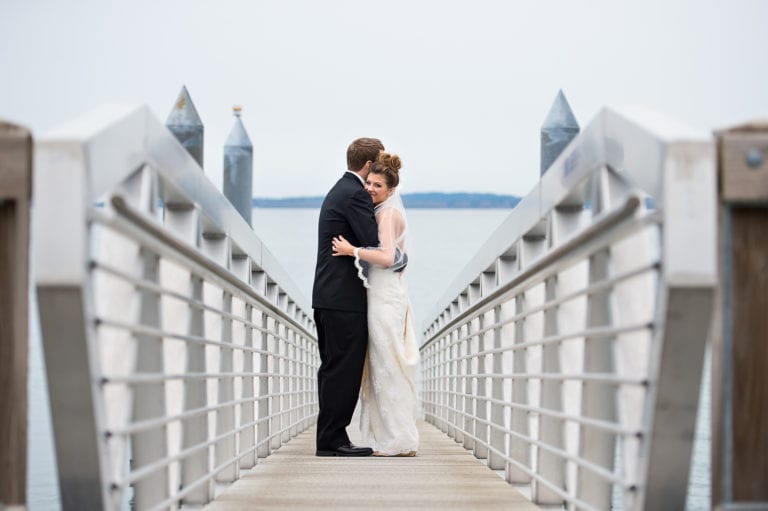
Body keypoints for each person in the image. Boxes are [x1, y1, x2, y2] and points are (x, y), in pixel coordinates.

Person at [331, 153, 420, 457]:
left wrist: (350, 250)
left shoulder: (387, 215)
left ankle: (400, 438)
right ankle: (392, 436)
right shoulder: (382, 210)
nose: (369, 188)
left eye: (377, 185)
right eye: (368, 182)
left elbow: (386, 256)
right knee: (382, 364)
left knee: (388, 364)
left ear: (391, 190)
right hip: (380, 294)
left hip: (384, 299)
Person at [312, 137, 383, 457]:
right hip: (343, 298)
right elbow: (372, 241)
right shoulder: (355, 193)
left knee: (332, 367)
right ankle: (333, 439)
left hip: (328, 295)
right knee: (344, 369)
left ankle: (330, 436)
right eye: (379, 164)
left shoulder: (340, 189)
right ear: (368, 165)